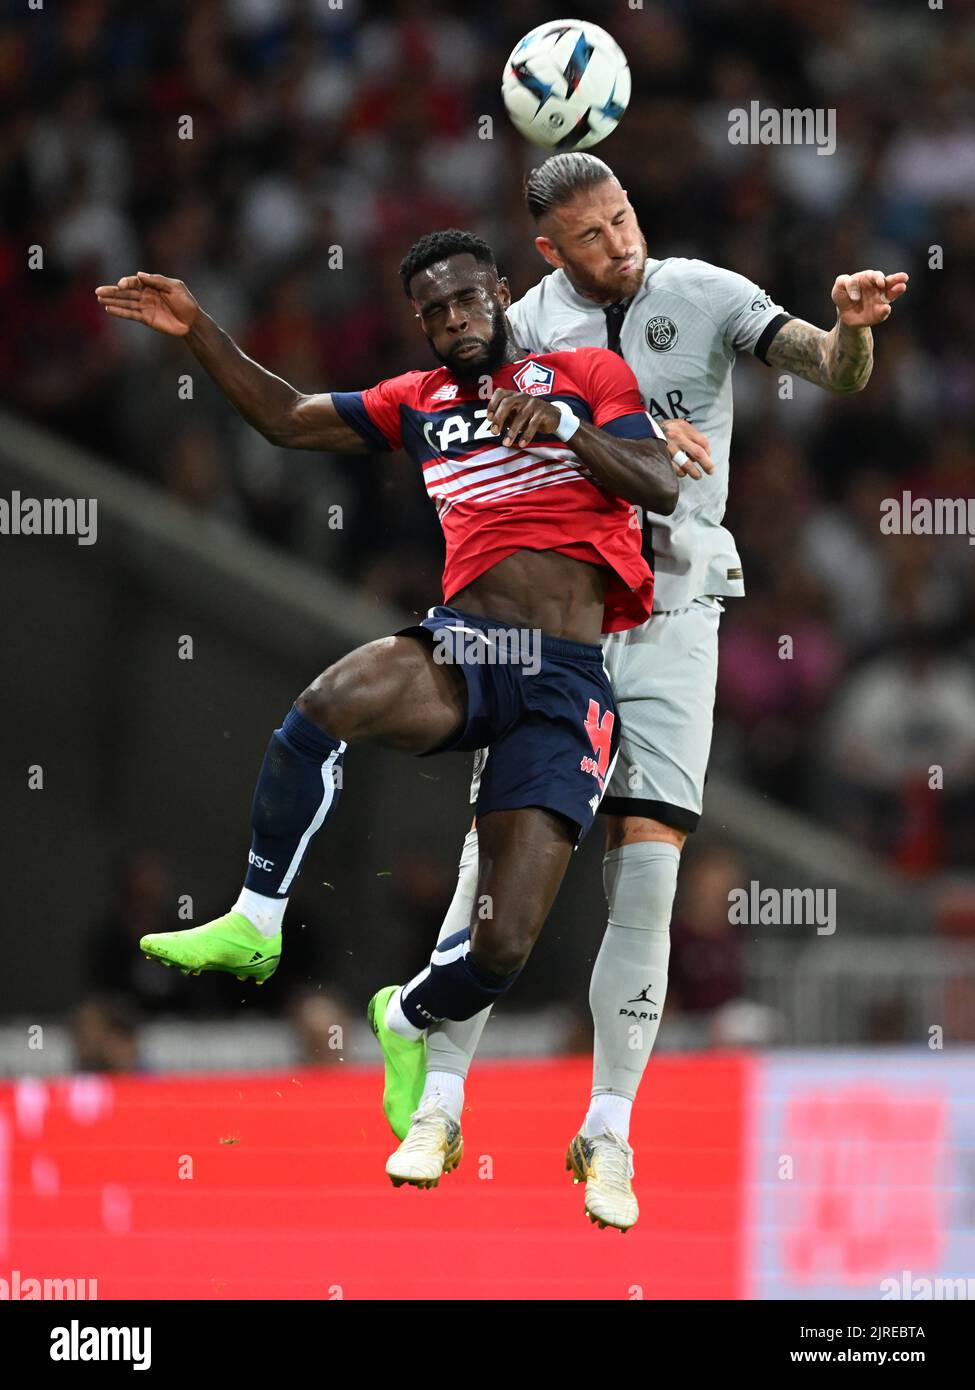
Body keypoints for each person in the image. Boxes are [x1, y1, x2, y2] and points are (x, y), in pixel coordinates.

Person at [94, 227, 678, 1183]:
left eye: (465, 299)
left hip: (567, 676)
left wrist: (567, 430)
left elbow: (656, 481)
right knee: (327, 702)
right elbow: (284, 417)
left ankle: (404, 1015)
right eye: (434, 311)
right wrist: (198, 327)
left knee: (500, 947)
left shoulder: (588, 373)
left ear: (499, 291)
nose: (453, 320)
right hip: (466, 645)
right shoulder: (418, 402)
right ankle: (255, 917)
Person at [403, 154, 908, 1231]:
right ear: (550, 252)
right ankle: (440, 1098)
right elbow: (489, 431)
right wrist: (611, 440)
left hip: (679, 614)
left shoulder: (707, 292)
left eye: (623, 220)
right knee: (495, 855)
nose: (618, 244)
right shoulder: (525, 325)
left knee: (649, 879)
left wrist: (853, 325)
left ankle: (609, 1127)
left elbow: (833, 367)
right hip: (568, 615)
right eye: (591, 236)